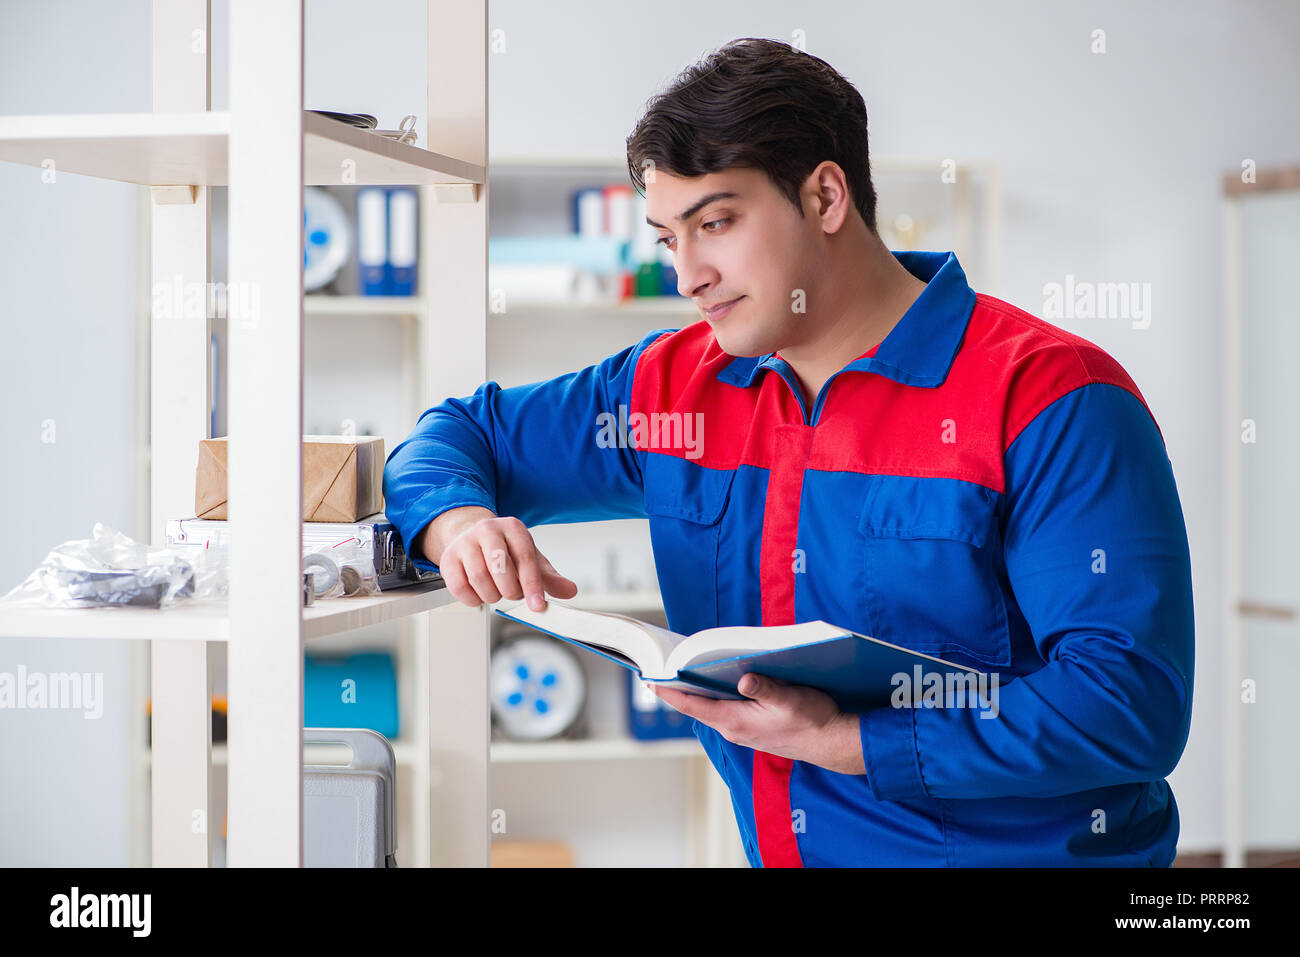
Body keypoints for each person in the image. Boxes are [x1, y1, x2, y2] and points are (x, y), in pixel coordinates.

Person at [383, 37, 1194, 867]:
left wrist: (856, 741)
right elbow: (454, 435)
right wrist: (459, 522)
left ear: (827, 195)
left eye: (718, 222)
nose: (688, 274)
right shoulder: (671, 391)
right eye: (669, 239)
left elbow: (1129, 704)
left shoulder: (1055, 398)